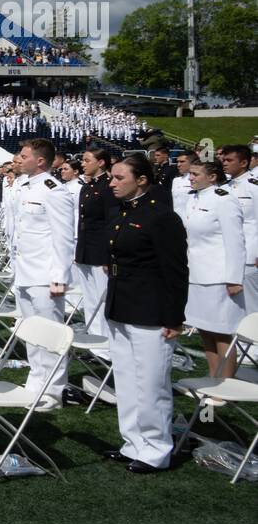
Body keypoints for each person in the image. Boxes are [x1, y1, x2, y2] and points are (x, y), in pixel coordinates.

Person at [103, 153, 188, 474]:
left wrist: (173, 317)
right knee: (125, 381)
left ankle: (156, 450)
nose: (112, 183)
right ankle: (133, 443)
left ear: (142, 180)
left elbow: (175, 271)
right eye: (111, 177)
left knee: (151, 384)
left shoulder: (161, 217)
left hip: (151, 311)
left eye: (119, 178)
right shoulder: (123, 211)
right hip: (122, 306)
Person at [10, 139, 77, 409]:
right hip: (25, 271)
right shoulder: (25, 187)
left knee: (49, 335)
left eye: (24, 155)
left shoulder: (54, 191)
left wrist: (60, 276)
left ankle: (53, 390)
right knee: (31, 332)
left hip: (45, 274)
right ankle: (36, 382)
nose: (19, 159)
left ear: (40, 161)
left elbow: (64, 238)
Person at [183, 159, 246, 377]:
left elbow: (235, 241)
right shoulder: (192, 199)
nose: (190, 178)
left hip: (218, 277)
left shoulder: (224, 200)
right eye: (190, 174)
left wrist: (234, 278)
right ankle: (213, 378)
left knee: (222, 332)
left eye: (196, 174)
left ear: (212, 177)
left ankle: (225, 383)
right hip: (196, 274)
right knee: (205, 329)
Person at [74, 147, 118, 338]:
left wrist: (109, 254)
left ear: (100, 162)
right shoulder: (88, 186)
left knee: (102, 297)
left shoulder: (108, 187)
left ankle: (106, 342)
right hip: (86, 248)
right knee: (90, 298)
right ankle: (93, 337)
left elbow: (111, 222)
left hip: (100, 250)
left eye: (86, 160)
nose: (83, 164)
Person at [218, 144, 258, 313]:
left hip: (250, 251)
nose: (224, 163)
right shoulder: (224, 188)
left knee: (250, 302)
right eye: (223, 159)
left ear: (243, 163)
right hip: (227, 251)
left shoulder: (254, 187)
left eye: (229, 160)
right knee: (232, 304)